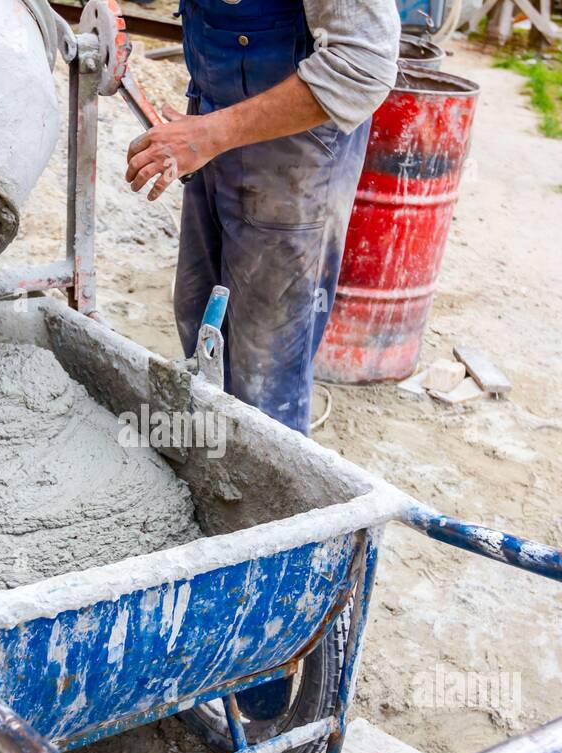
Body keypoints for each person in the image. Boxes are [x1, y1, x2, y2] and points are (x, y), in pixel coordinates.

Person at [125, 0, 400, 433]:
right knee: (200, 321)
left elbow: (360, 67)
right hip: (214, 127)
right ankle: (211, 465)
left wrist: (210, 133)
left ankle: (271, 490)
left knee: (264, 367)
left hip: (295, 161)